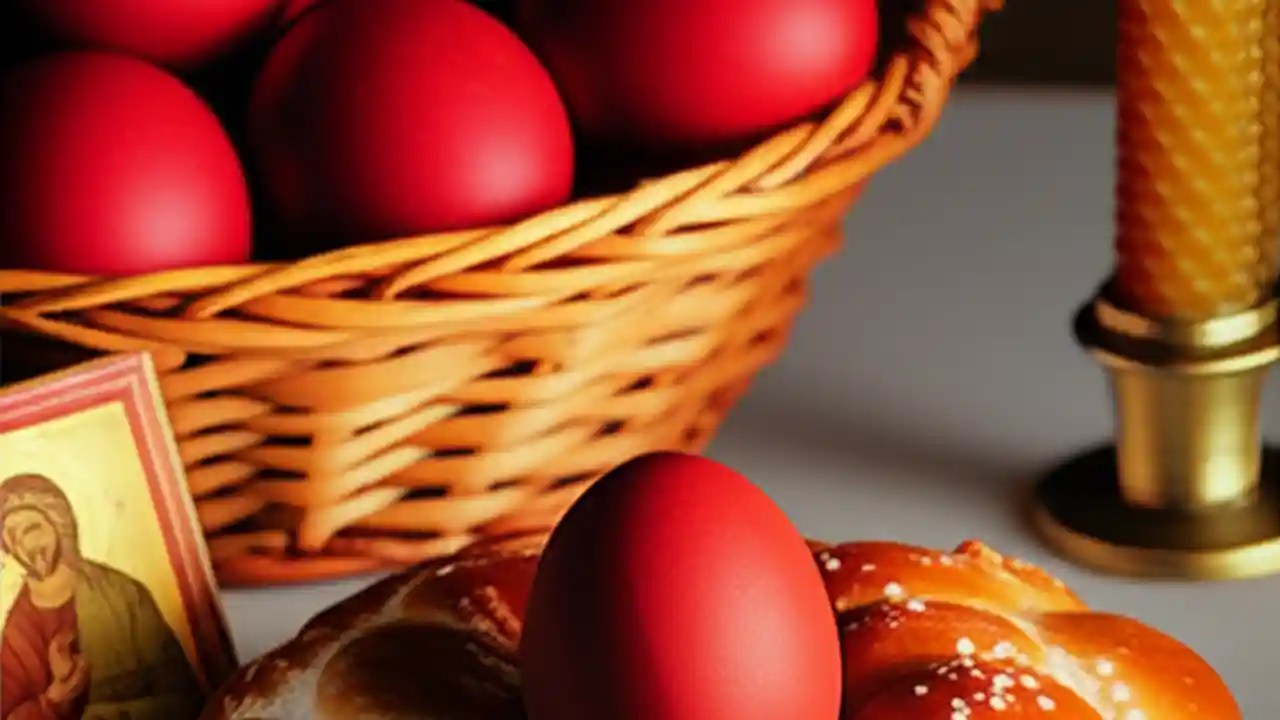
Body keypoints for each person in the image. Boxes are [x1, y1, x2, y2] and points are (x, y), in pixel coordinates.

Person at [0, 473, 204, 720]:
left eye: (32, 529)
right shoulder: (19, 631)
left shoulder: (123, 596)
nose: (25, 545)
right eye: (12, 537)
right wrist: (54, 701)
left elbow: (187, 700)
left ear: (59, 524)